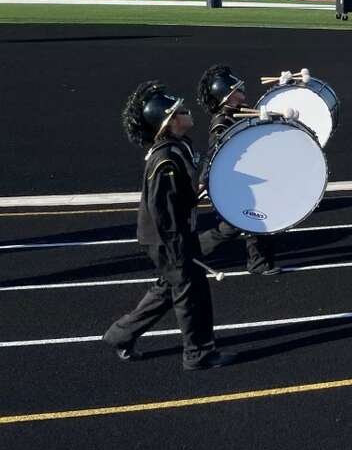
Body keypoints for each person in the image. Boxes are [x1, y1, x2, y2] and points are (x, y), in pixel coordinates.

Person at [102, 82, 234, 370]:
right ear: (169, 122)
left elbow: (178, 196)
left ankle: (119, 335)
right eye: (180, 111)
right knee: (190, 290)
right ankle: (198, 354)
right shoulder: (166, 160)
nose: (187, 112)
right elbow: (163, 210)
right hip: (168, 237)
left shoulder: (178, 147)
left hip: (173, 233)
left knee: (168, 287)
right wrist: (179, 249)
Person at [195, 65, 278, 275]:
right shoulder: (222, 123)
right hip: (235, 182)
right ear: (228, 96)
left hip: (244, 178)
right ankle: (192, 250)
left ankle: (258, 262)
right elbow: (214, 154)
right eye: (237, 89)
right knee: (244, 222)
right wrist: (204, 180)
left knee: (244, 222)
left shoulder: (239, 112)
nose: (243, 91)